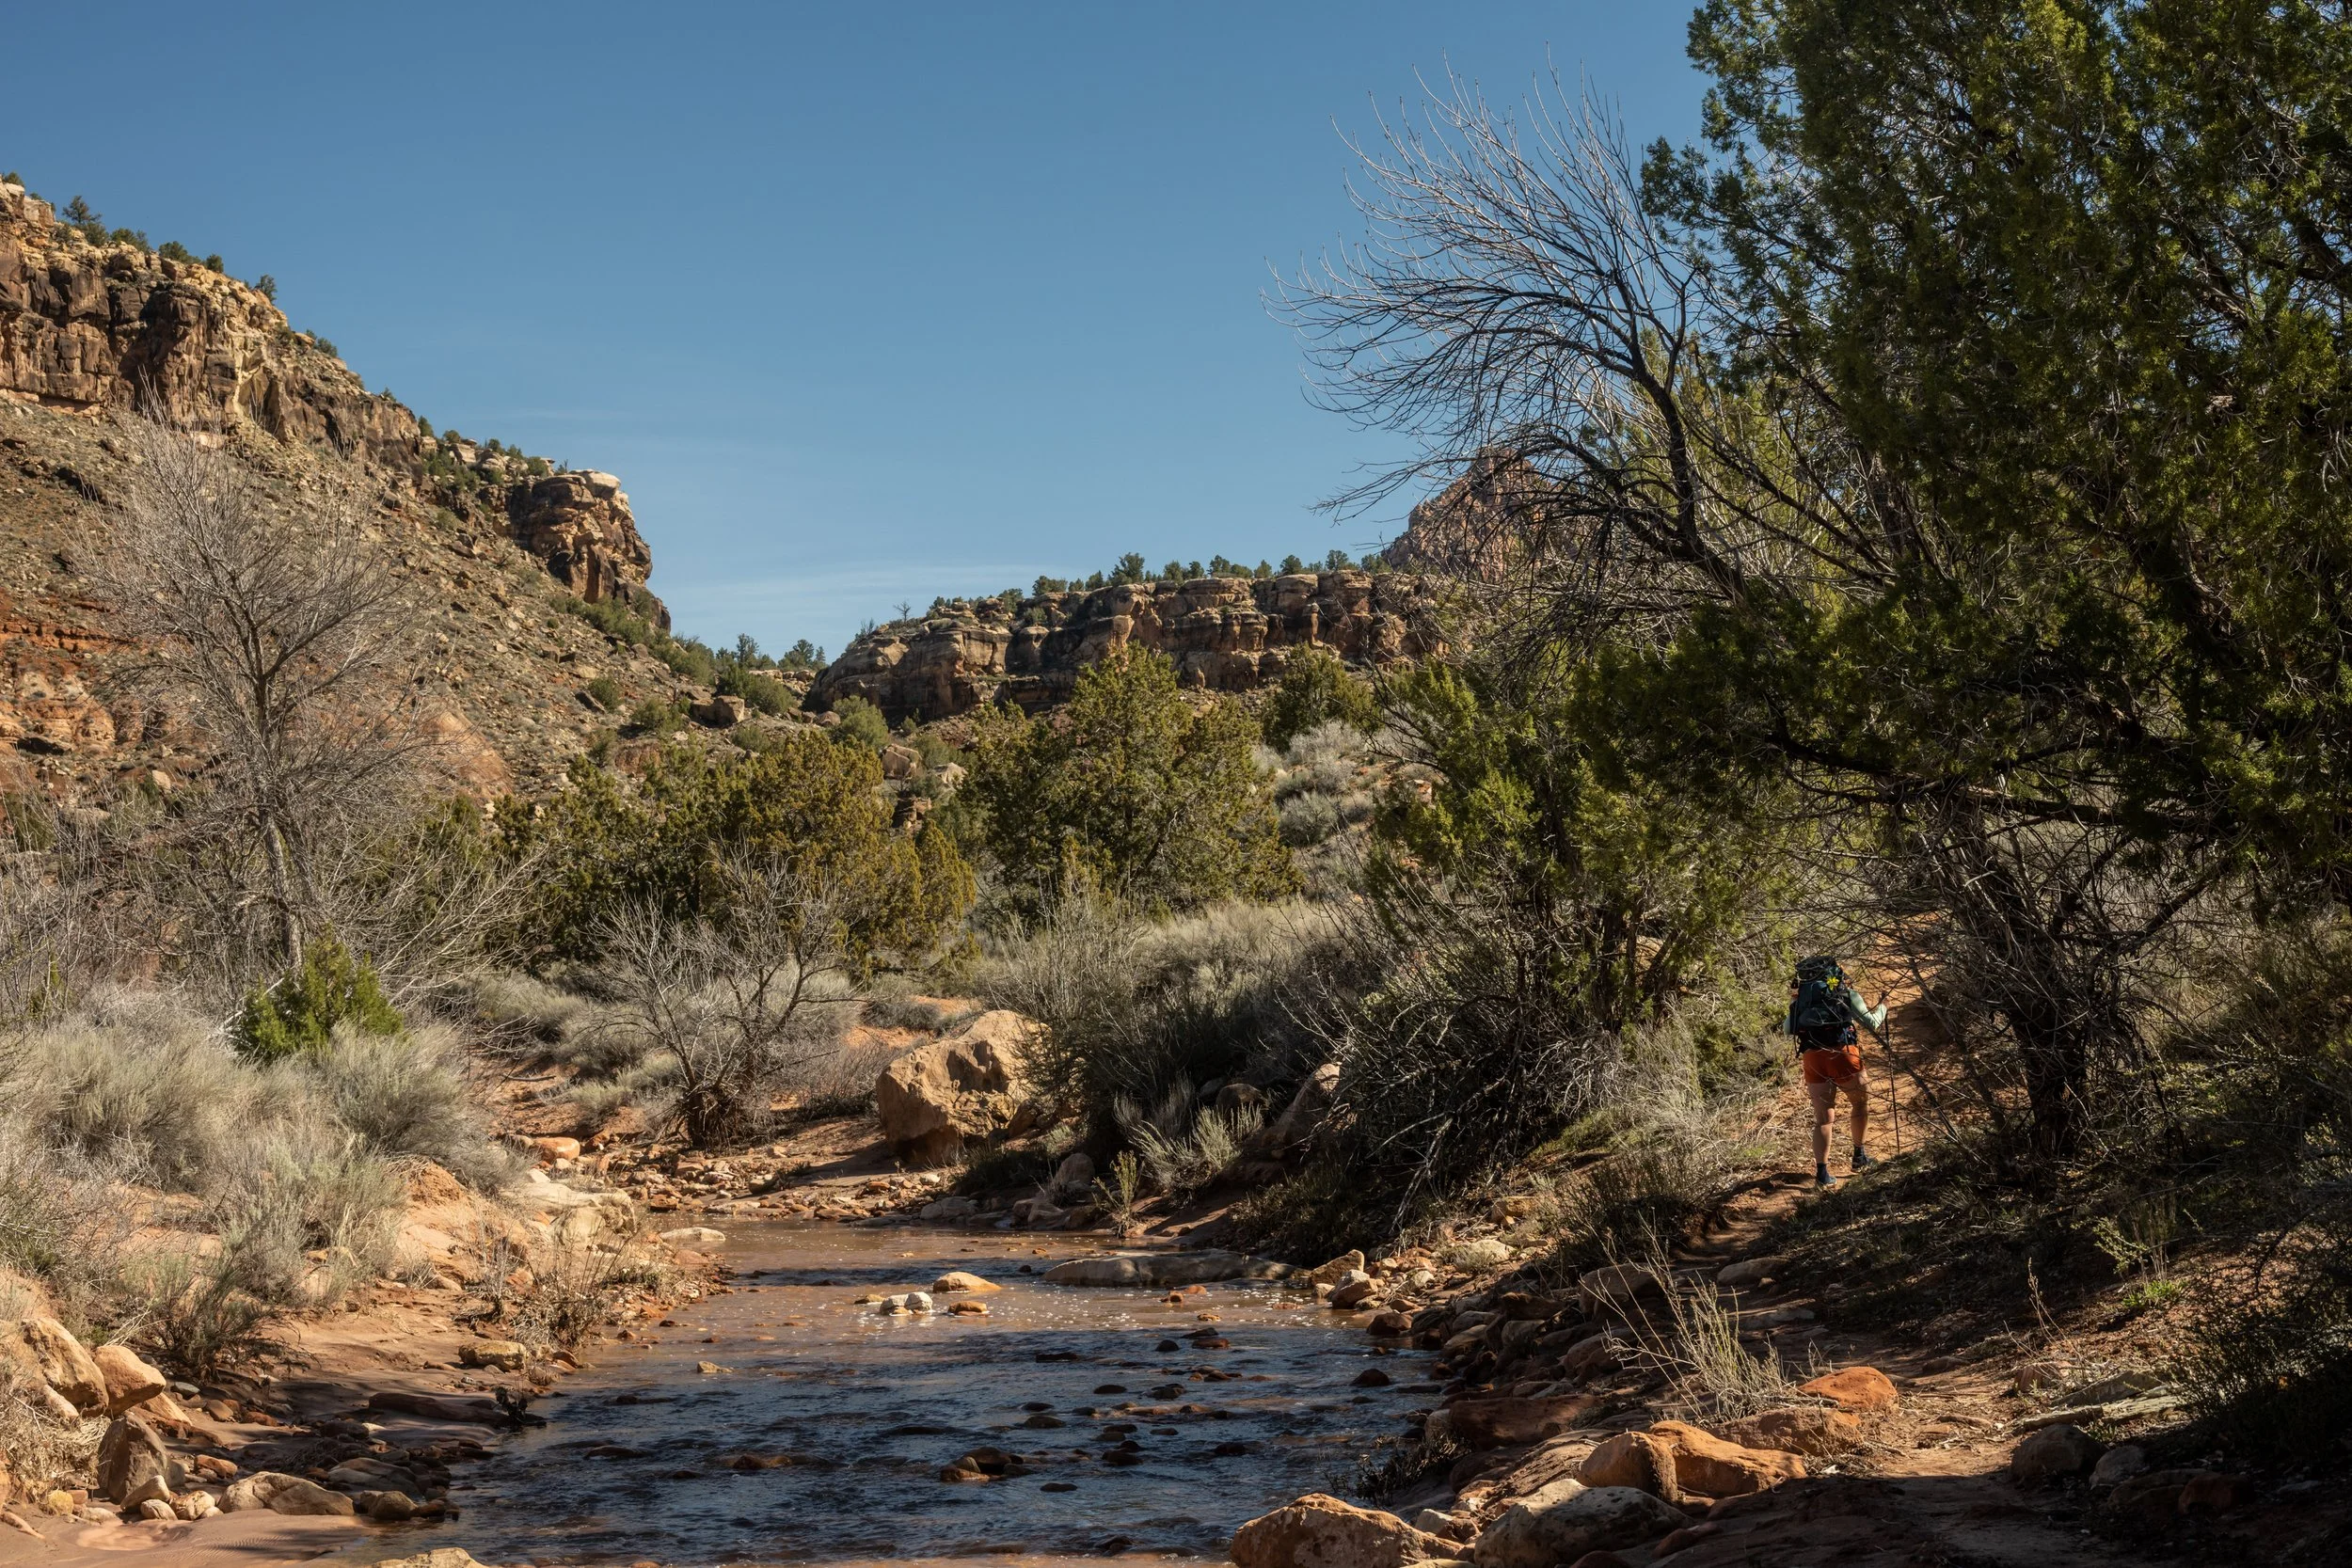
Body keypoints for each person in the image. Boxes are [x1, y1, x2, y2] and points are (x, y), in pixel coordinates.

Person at [1785, 957, 1887, 1188]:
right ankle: (1859, 1156)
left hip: (1813, 1059)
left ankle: (1822, 1174)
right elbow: (1872, 1023)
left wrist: (1797, 1004)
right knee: (1859, 1104)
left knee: (1823, 1119)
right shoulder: (1845, 993)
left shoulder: (1801, 999)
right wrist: (1884, 1006)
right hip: (1843, 1055)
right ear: (1834, 974)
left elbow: (1788, 1029)